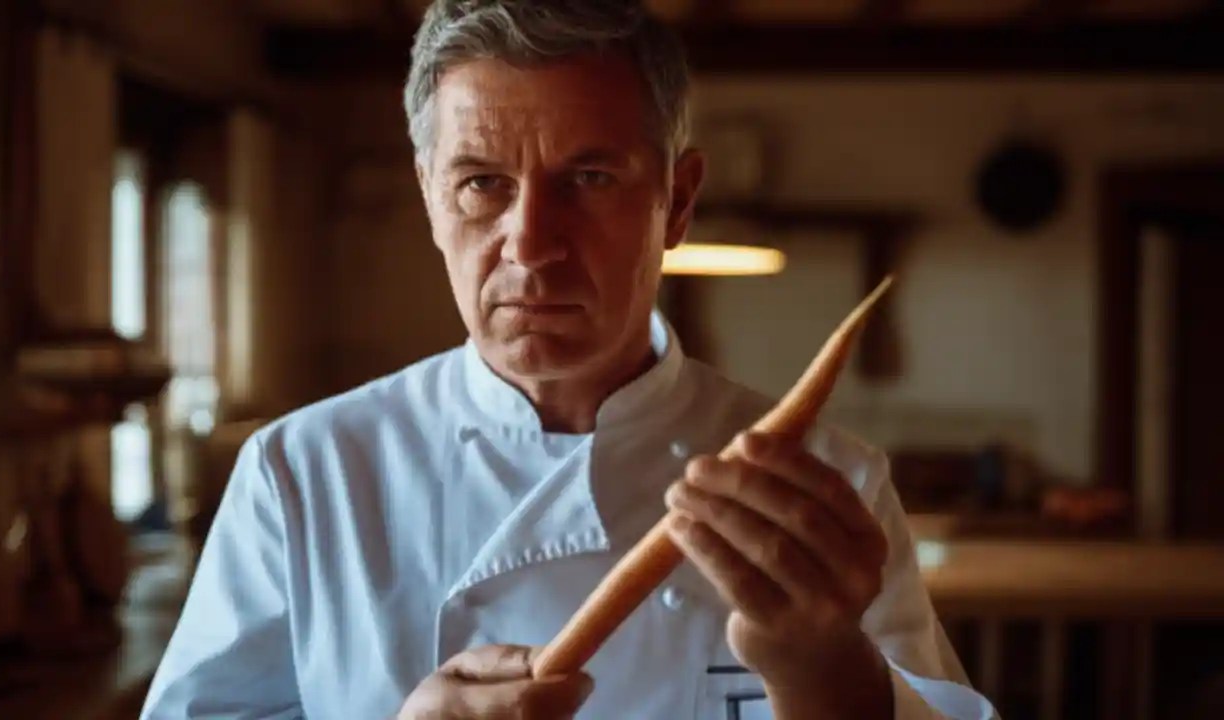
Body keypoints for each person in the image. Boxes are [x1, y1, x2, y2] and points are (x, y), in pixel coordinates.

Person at [142, 1, 996, 718]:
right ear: (429, 197)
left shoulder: (825, 482)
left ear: (678, 201)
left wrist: (827, 672)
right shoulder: (305, 473)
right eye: (481, 182)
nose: (532, 244)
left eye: (590, 178)